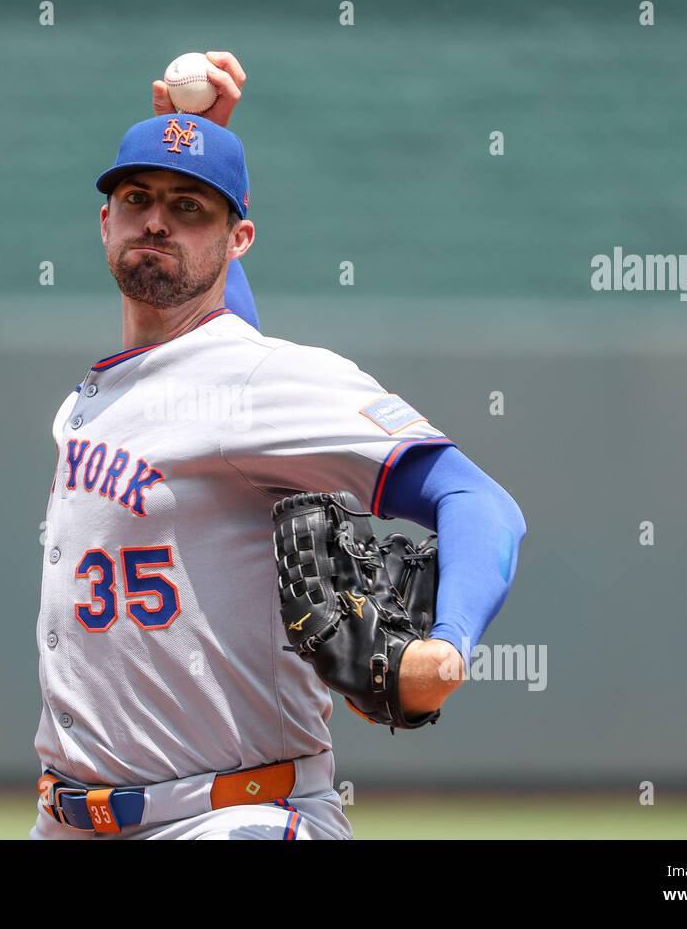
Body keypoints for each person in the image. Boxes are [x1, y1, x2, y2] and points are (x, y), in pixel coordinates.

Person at [31, 53, 526, 839]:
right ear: (104, 221)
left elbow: (479, 501)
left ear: (240, 239)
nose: (156, 221)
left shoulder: (262, 378)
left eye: (190, 207)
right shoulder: (111, 395)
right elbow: (211, 370)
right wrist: (195, 138)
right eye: (137, 199)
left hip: (232, 817)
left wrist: (449, 648)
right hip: (69, 820)